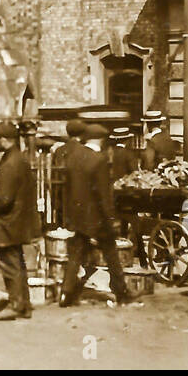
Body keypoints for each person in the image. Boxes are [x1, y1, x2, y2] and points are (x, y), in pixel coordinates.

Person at [59, 123, 133, 307]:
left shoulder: (73, 157)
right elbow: (103, 194)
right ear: (101, 139)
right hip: (97, 218)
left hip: (78, 215)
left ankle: (66, 294)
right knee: (111, 255)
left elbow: (67, 189)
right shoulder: (98, 160)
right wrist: (111, 218)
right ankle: (121, 291)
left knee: (75, 255)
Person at [0, 121, 42, 320]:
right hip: (19, 220)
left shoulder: (10, 164)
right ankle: (23, 304)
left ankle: (16, 305)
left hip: (9, 221)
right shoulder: (19, 159)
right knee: (18, 262)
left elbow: (4, 199)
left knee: (10, 263)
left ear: (4, 140)